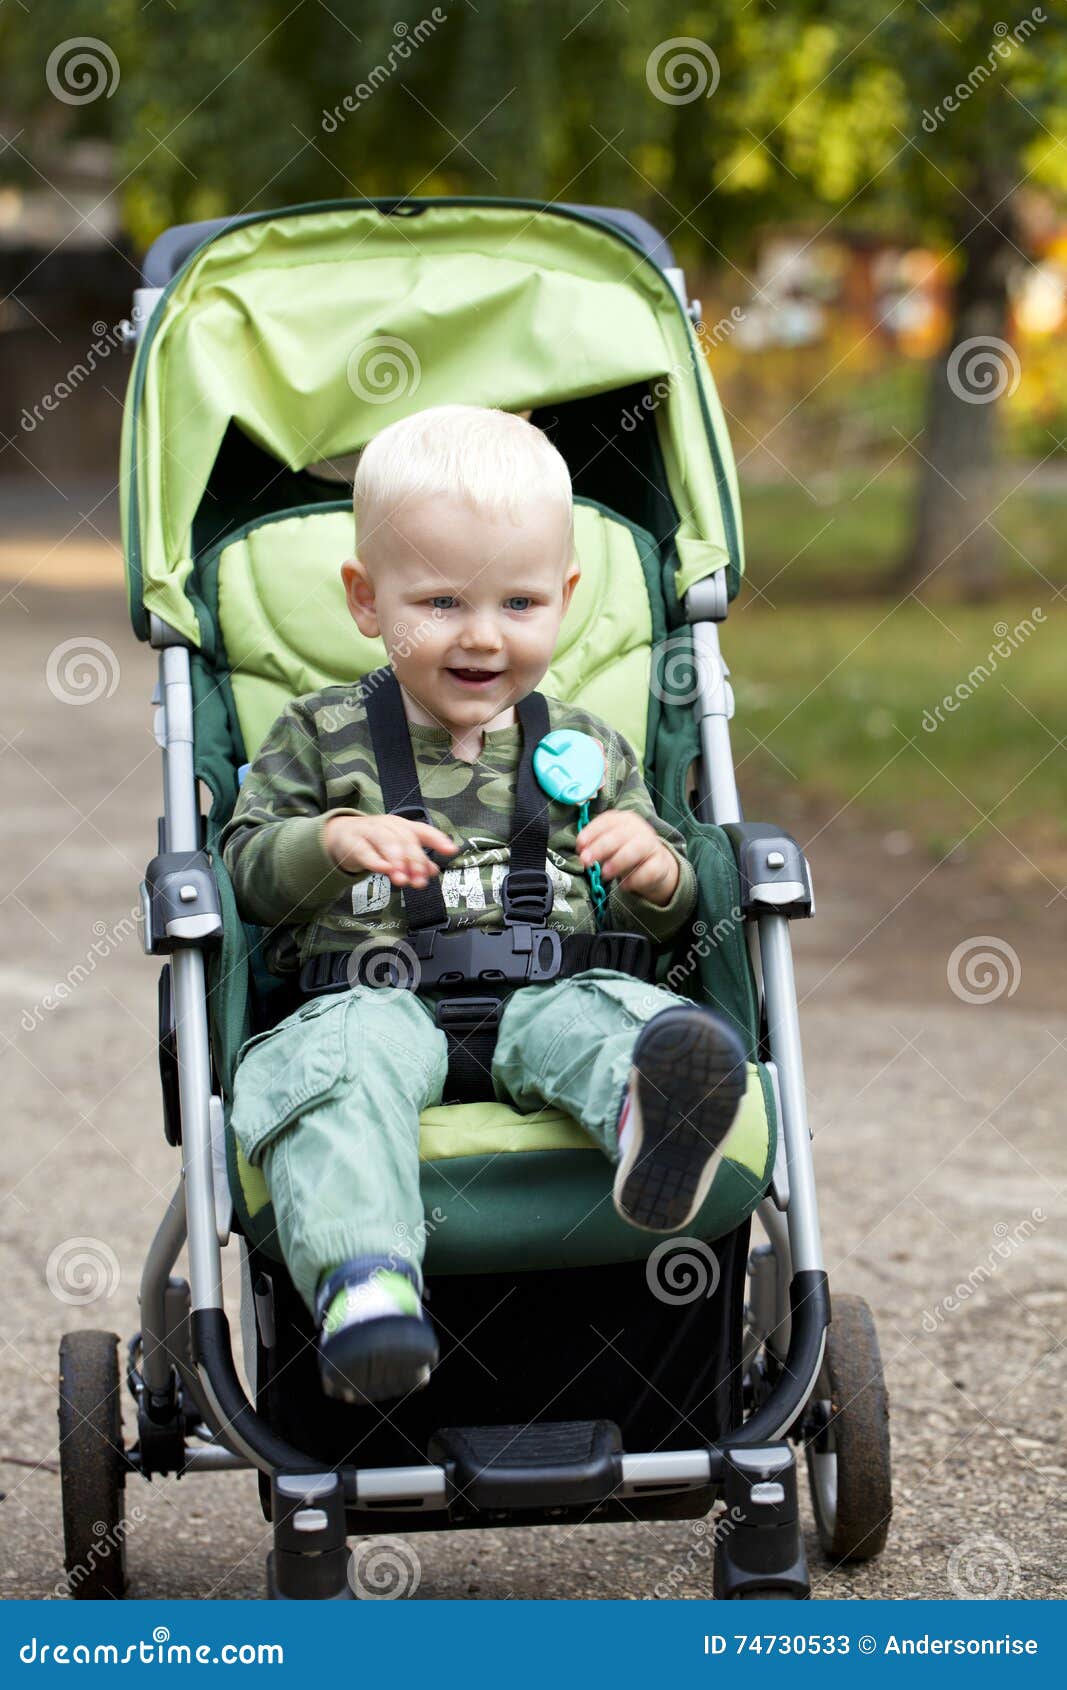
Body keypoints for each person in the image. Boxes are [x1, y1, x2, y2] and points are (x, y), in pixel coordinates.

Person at [221, 403, 750, 1406]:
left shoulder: (588, 746)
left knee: (625, 1016)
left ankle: (654, 1114)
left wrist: (656, 873)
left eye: (517, 604)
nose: (479, 637)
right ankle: (365, 1286)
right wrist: (326, 843)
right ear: (365, 600)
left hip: (550, 988)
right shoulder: (317, 735)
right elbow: (244, 871)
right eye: (437, 603)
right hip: (367, 995)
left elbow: (668, 917)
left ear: (565, 597)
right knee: (329, 1069)